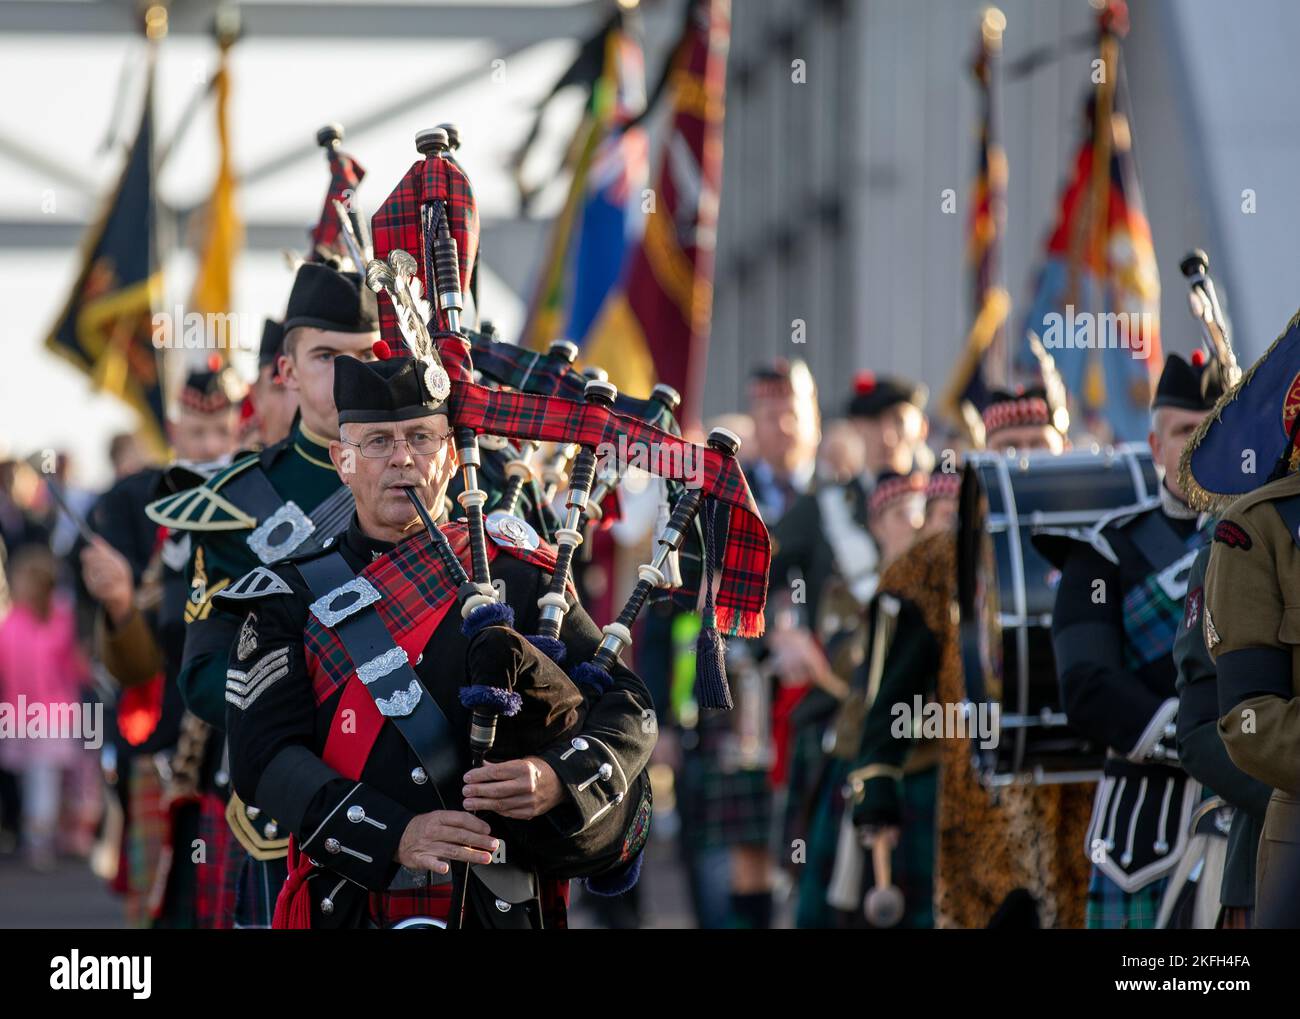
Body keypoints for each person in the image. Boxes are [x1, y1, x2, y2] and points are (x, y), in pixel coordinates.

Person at [221, 347, 655, 928]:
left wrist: (555, 779)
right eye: (378, 442)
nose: (403, 458)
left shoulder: (522, 576)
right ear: (342, 460)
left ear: (450, 456)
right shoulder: (286, 597)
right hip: (355, 904)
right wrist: (395, 834)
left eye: (421, 438)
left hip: (496, 905)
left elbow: (630, 710)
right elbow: (262, 760)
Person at [145, 262, 379, 927]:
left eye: (366, 357)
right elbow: (202, 673)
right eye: (326, 356)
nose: (347, 375)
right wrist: (315, 715)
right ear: (287, 370)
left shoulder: (429, 482)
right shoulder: (235, 503)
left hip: (420, 811)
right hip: (291, 812)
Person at [1044, 352, 1224, 928]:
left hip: (1261, 815)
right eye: (1184, 432)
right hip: (1148, 834)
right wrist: (1207, 743)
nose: (1199, 447)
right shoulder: (1103, 553)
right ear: (1154, 447)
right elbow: (1088, 687)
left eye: (1215, 430)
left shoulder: (1274, 540)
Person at [79, 362, 245, 926]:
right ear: (173, 432)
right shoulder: (134, 503)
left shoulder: (257, 495)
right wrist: (123, 603)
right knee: (164, 910)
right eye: (198, 434)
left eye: (222, 432)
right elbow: (128, 666)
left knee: (226, 903)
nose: (210, 447)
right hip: (158, 746)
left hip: (237, 747)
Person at [791, 470, 930, 927]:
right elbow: (851, 688)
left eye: (919, 511)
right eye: (899, 513)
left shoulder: (935, 594)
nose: (913, 522)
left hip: (926, 766)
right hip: (856, 761)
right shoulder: (856, 597)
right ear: (876, 524)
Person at [0, 545, 96, 870]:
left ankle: (43, 836)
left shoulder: (16, 625)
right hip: (49, 713)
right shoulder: (57, 622)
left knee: (42, 778)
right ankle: (49, 834)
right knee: (49, 778)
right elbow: (76, 668)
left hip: (29, 713)